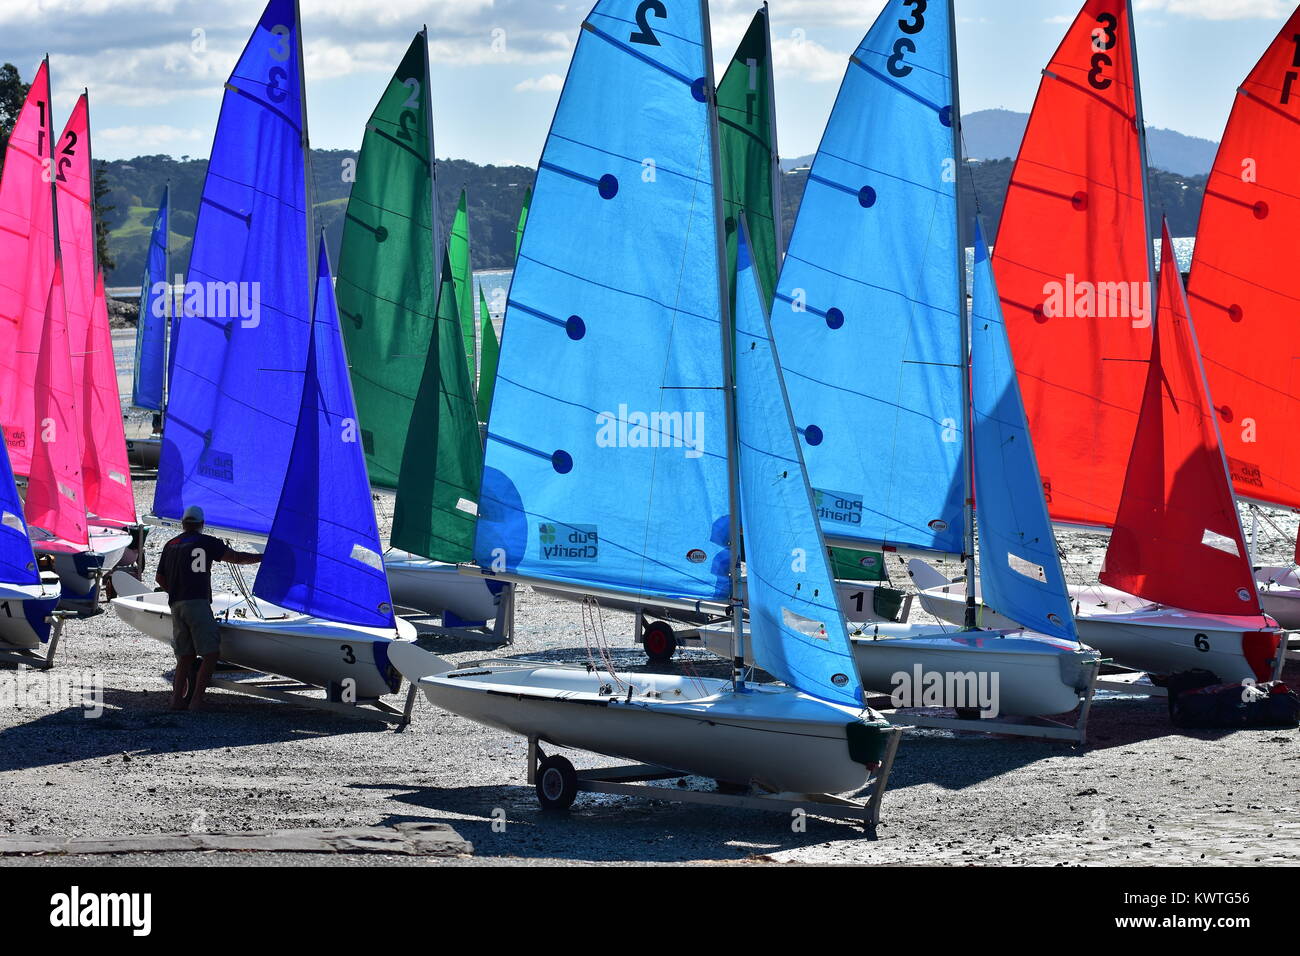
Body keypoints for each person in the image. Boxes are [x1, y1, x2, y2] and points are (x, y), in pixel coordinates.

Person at [155, 505, 263, 711]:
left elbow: (159, 578)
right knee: (211, 653)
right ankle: (197, 701)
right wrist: (262, 558)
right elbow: (235, 558)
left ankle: (177, 700)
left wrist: (177, 591)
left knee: (185, 655)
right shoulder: (207, 542)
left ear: (183, 524)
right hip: (197, 603)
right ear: (202, 525)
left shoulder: (170, 545)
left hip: (176, 604)